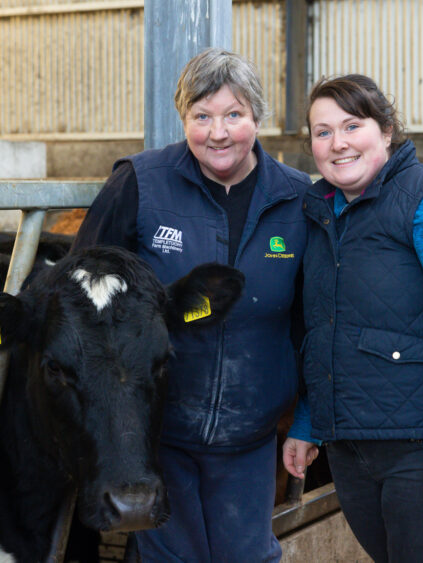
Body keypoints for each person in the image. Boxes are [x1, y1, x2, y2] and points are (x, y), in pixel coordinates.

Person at [74, 48, 309, 562]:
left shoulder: (298, 199)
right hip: (159, 431)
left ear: (257, 119)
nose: (218, 133)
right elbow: (80, 300)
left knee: (248, 558)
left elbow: (313, 323)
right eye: (201, 117)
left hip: (251, 435)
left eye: (233, 115)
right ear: (183, 119)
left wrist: (308, 421)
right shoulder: (139, 183)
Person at [282, 74, 423, 563]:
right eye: (322, 132)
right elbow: (324, 329)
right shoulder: (321, 213)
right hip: (352, 449)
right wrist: (308, 420)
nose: (337, 143)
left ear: (386, 130)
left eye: (351, 126)